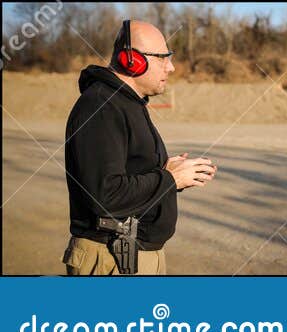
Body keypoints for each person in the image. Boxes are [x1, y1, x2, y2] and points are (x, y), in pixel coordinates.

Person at [63, 20, 217, 275]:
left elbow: (127, 174)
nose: (172, 66)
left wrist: (165, 170)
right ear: (132, 60)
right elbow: (104, 197)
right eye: (162, 58)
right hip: (111, 260)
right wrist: (169, 179)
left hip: (130, 258)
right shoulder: (101, 106)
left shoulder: (127, 104)